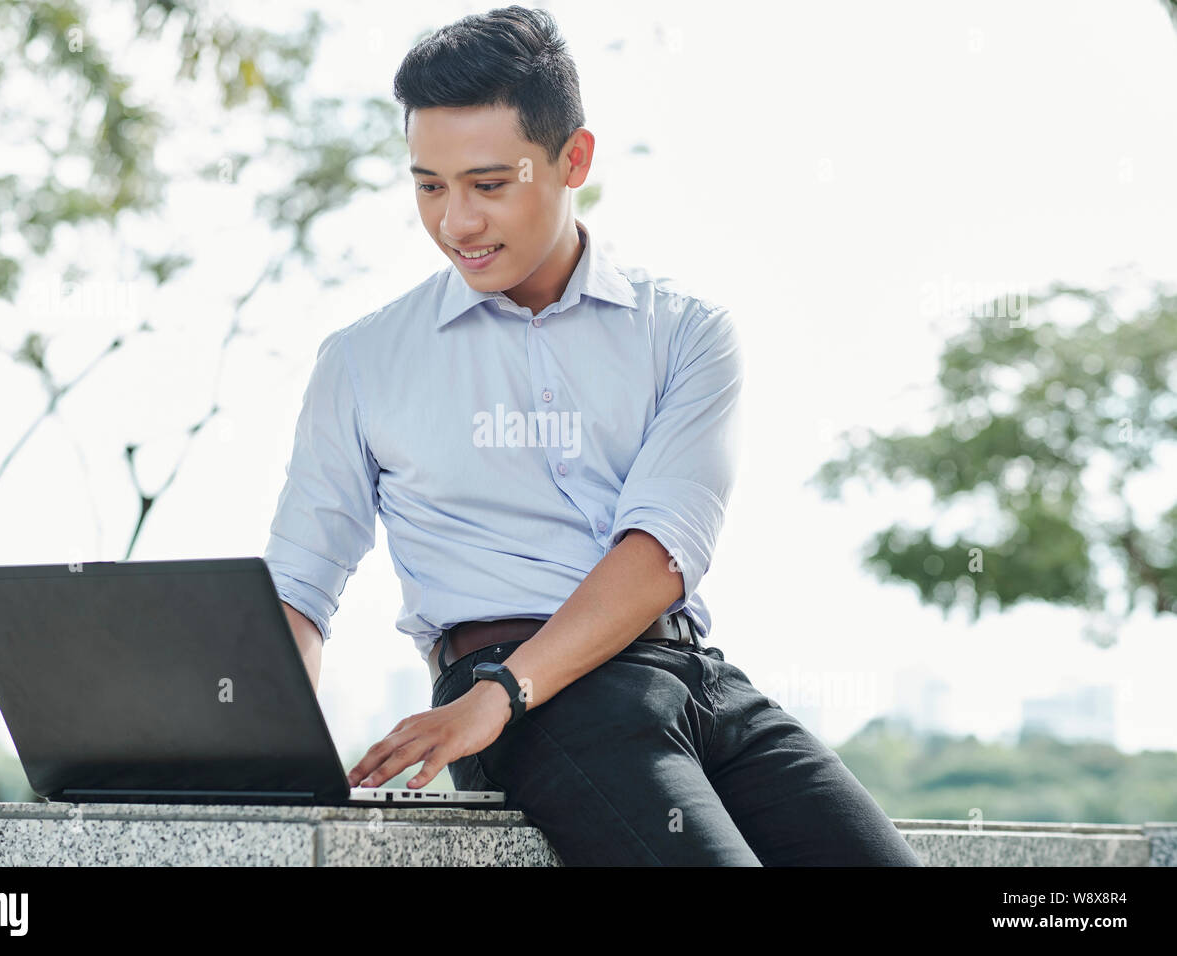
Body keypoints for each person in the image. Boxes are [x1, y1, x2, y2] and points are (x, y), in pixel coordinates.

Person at [263, 5, 921, 867]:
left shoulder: (685, 333)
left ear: (574, 158)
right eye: (430, 186)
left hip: (697, 681)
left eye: (489, 185)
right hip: (536, 707)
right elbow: (300, 588)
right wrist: (265, 757)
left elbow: (661, 551)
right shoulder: (362, 362)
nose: (456, 222)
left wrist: (503, 691)